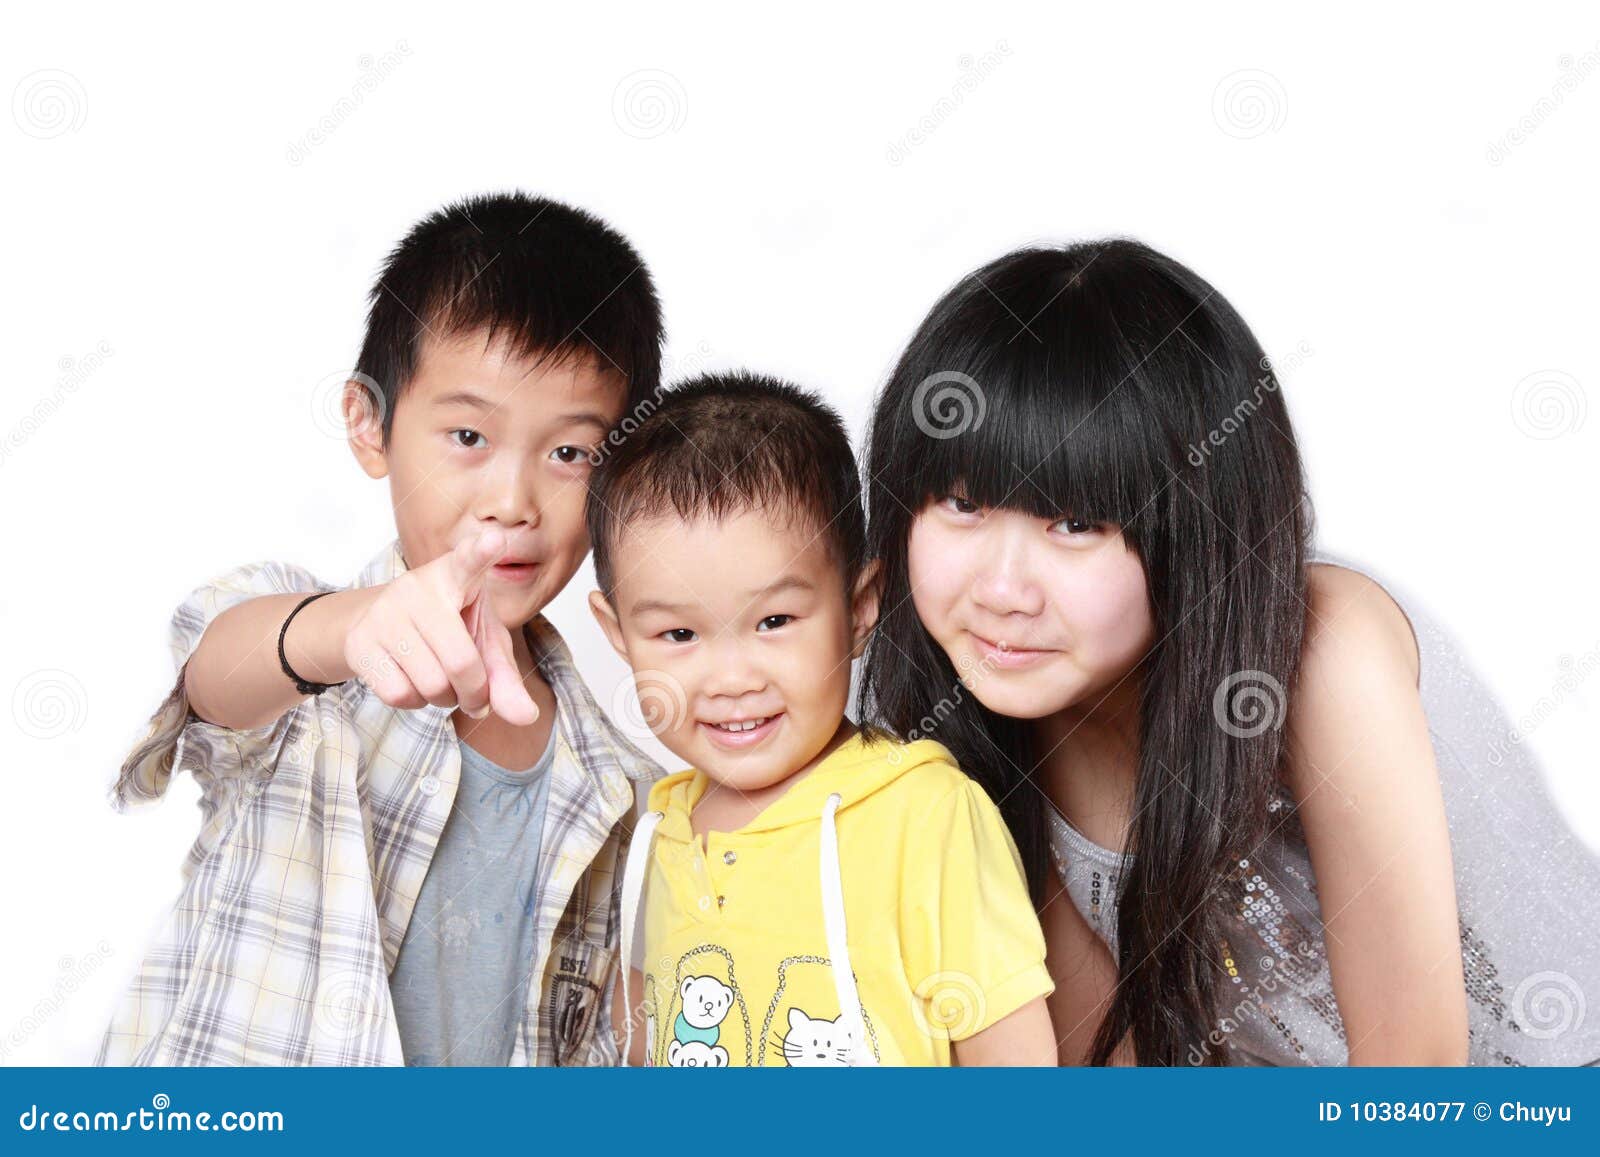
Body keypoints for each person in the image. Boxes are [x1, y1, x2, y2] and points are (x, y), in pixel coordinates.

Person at [861, 239, 1600, 1066]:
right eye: (962, 504)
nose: (1002, 589)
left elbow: (1414, 1080)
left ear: (1198, 526)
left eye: (1075, 524)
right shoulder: (986, 717)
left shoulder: (1325, 655)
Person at [100, 191, 666, 1066]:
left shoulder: (622, 787)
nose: (512, 501)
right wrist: (348, 629)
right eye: (468, 434)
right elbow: (217, 674)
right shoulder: (309, 661)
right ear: (370, 425)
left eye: (570, 453)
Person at [587, 372, 1055, 1066]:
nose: (733, 679)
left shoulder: (925, 815)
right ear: (618, 634)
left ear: (859, 608)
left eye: (775, 620)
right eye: (678, 634)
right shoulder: (656, 832)